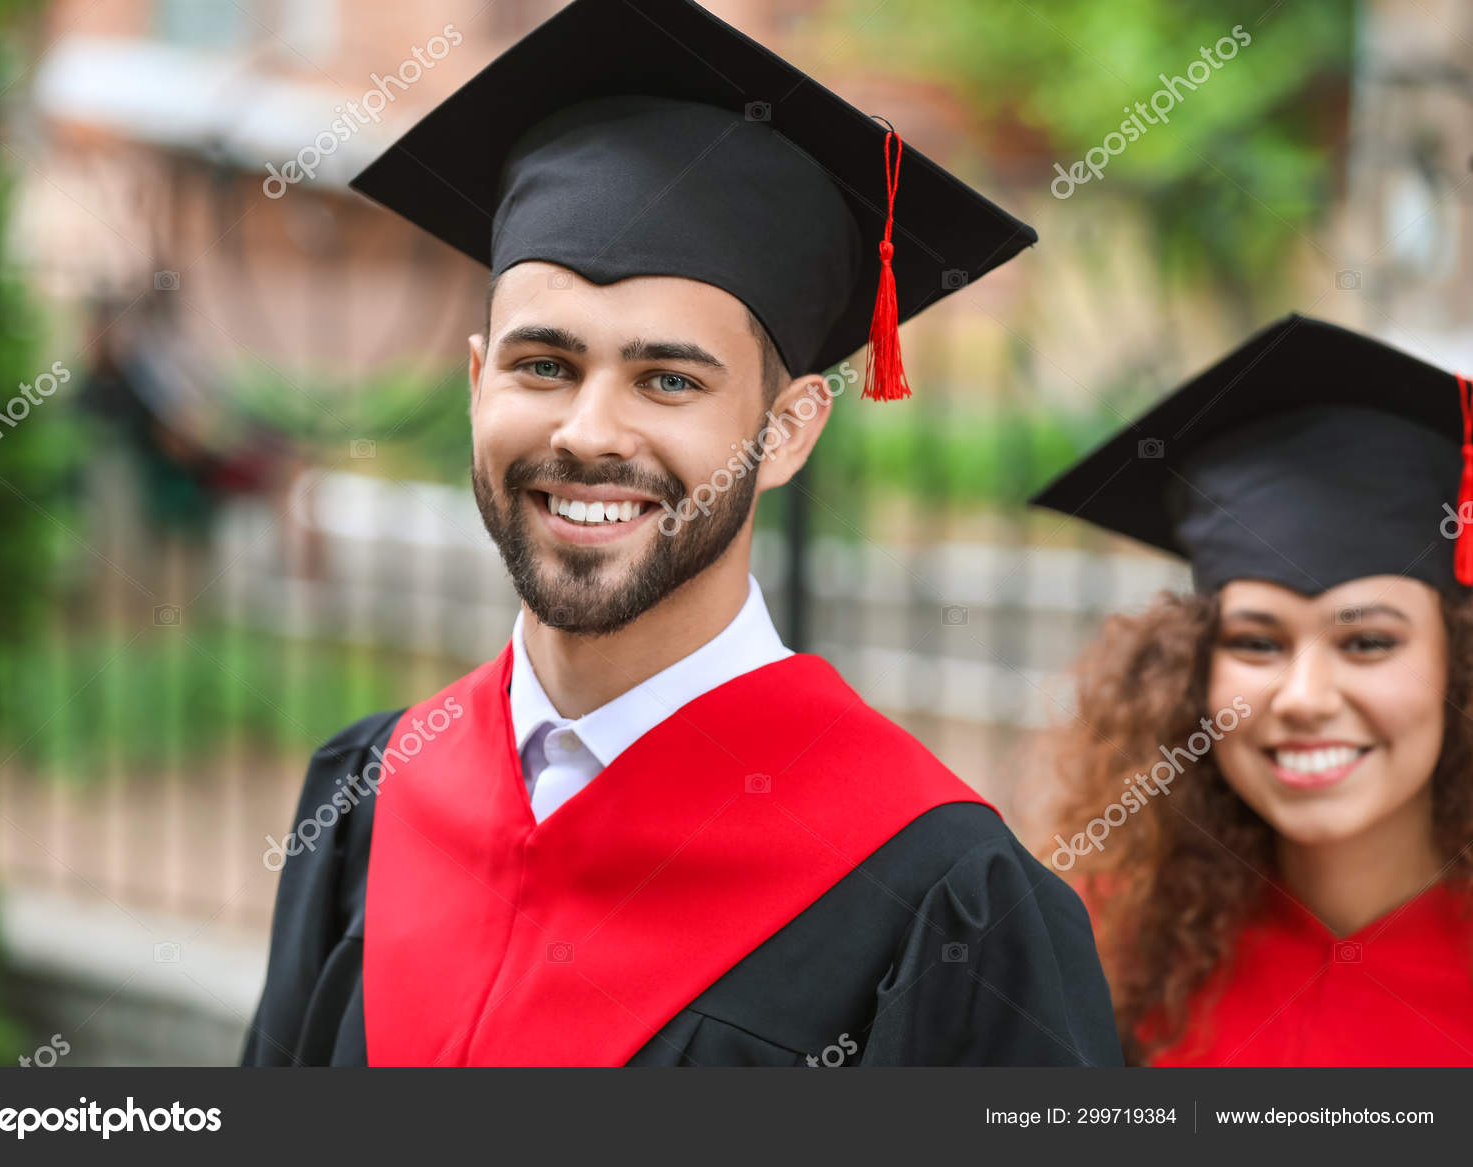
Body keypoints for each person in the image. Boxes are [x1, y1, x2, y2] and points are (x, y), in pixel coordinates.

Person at [241, 0, 1120, 1067]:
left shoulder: (941, 903)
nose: (587, 431)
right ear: (477, 385)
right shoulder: (369, 800)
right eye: (543, 365)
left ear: (788, 430)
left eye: (666, 379)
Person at [1030, 313, 1473, 1066]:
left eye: (1368, 641)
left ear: (1456, 666)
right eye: (1256, 642)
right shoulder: (1107, 948)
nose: (1303, 696)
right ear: (1193, 671)